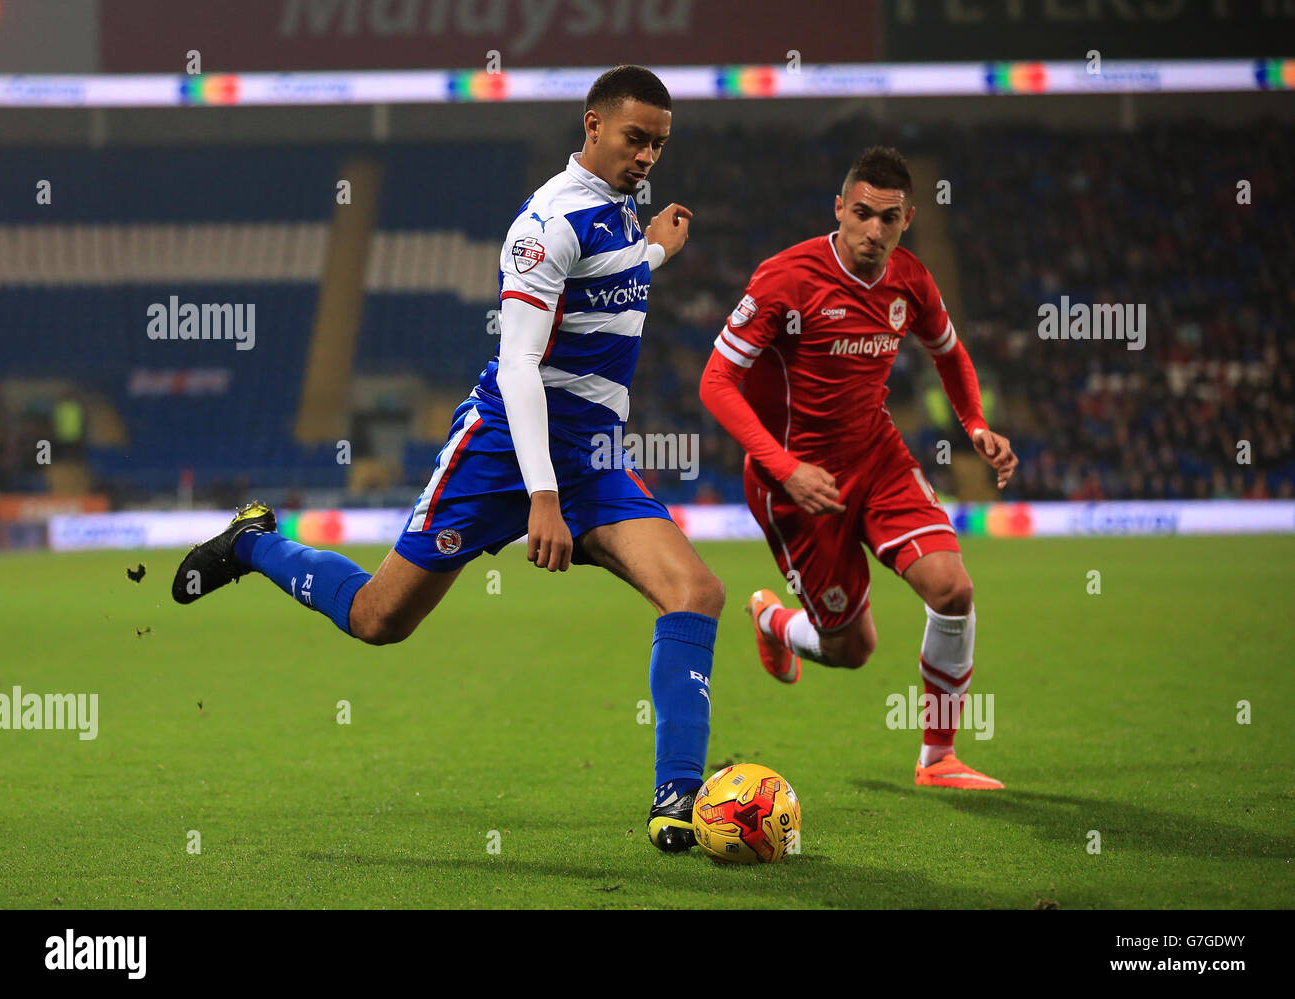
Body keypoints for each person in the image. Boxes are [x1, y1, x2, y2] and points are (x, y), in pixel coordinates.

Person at [173, 65, 724, 850]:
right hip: (503, 453)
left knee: (695, 592)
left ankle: (678, 800)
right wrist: (541, 496)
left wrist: (653, 255)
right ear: (592, 126)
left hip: (592, 459)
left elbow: (602, 287)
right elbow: (519, 366)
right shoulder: (546, 223)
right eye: (635, 139)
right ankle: (254, 541)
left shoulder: (615, 214)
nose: (646, 158)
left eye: (659, 145)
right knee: (378, 619)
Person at [699, 146, 1017, 789]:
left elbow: (950, 355)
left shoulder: (912, 281)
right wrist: (784, 467)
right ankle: (774, 621)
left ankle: (938, 758)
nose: (875, 231)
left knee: (953, 590)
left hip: (877, 459)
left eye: (890, 219)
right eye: (864, 214)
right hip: (795, 487)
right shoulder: (784, 280)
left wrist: (977, 426)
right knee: (852, 649)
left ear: (908, 219)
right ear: (839, 209)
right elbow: (716, 383)